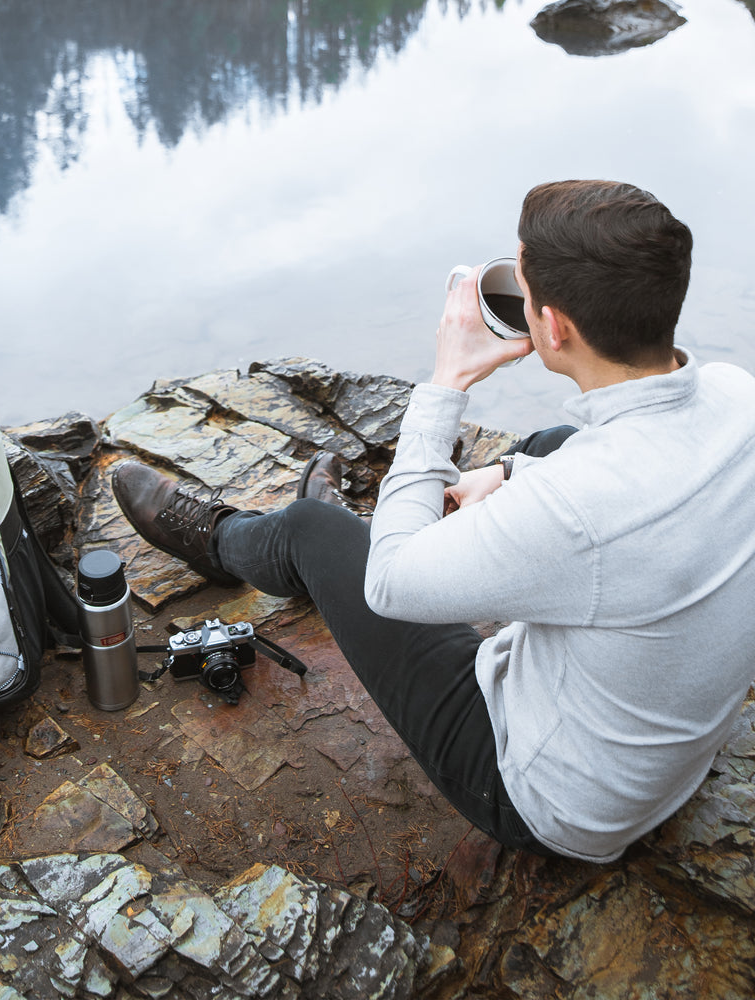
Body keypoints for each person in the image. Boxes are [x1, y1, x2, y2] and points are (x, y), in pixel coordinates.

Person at [112, 179, 755, 862]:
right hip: (665, 763)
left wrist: (446, 382)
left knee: (314, 530)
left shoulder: (576, 511)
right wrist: (510, 477)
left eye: (522, 286)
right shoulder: (734, 394)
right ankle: (380, 524)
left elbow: (391, 585)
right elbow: (611, 497)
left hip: (554, 806)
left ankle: (222, 541)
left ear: (554, 328)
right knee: (542, 448)